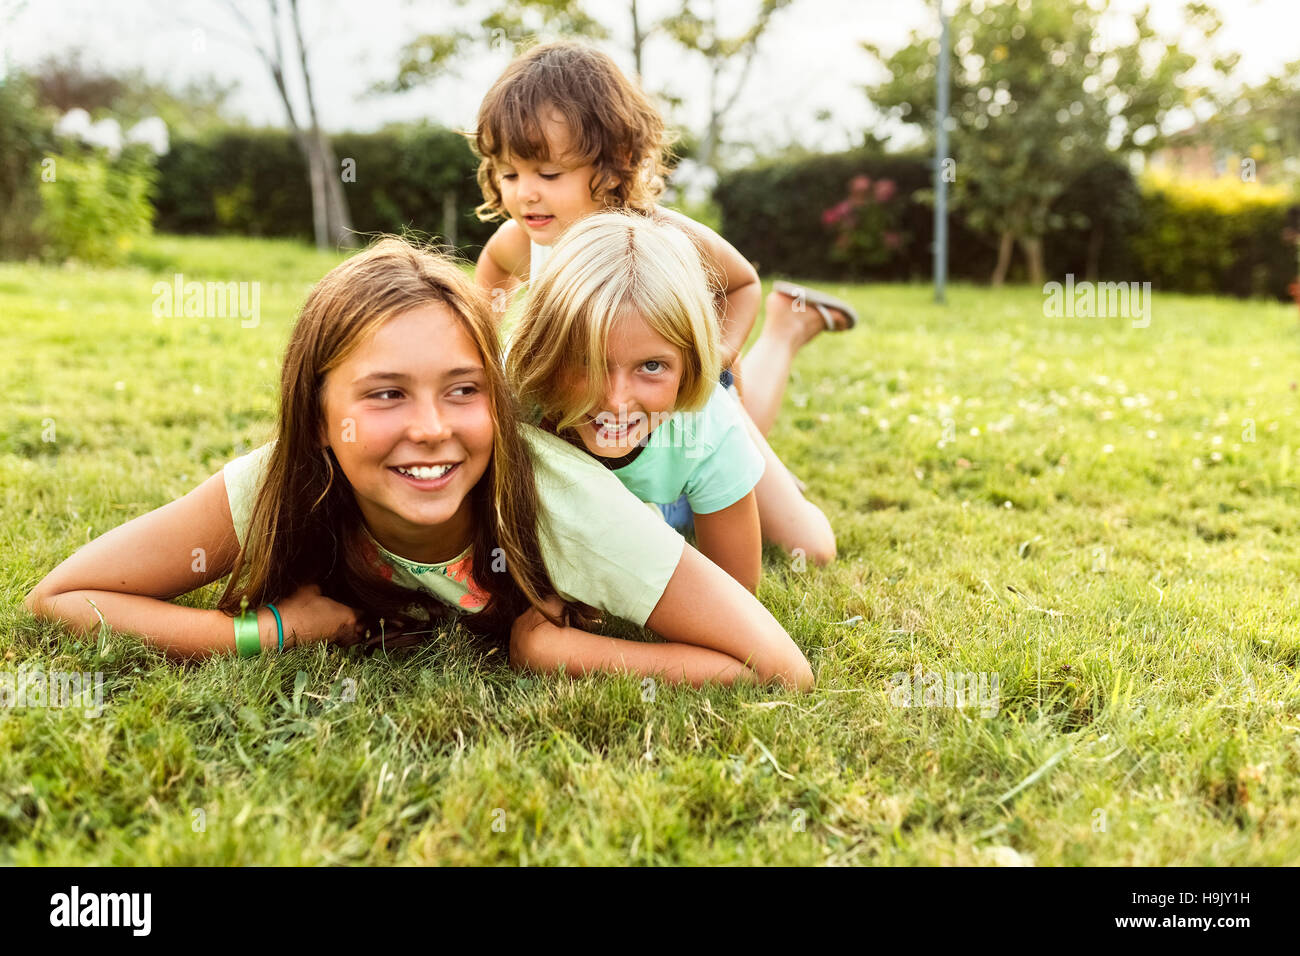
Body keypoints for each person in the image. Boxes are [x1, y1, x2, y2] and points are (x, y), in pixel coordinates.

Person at [24, 238, 813, 692]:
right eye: (387, 393)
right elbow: (63, 595)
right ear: (319, 418)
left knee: (799, 524)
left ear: (500, 403)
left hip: (683, 466)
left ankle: (781, 337)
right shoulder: (280, 481)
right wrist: (267, 632)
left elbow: (778, 665)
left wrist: (558, 650)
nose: (432, 429)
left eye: (463, 390)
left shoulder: (565, 501)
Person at [471, 39, 847, 565]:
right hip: (602, 414)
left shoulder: (659, 235)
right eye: (509, 174)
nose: (523, 194)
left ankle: (785, 330)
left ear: (617, 160)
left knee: (811, 548)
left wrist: (710, 362)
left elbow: (739, 283)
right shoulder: (522, 238)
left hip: (679, 405)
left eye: (548, 175)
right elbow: (485, 292)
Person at [511, 211, 788, 593]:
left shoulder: (708, 432)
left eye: (652, 366)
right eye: (588, 361)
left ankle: (786, 331)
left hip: (676, 486)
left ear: (691, 362)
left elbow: (737, 600)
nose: (616, 398)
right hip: (628, 487)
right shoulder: (515, 401)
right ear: (544, 350)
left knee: (812, 546)